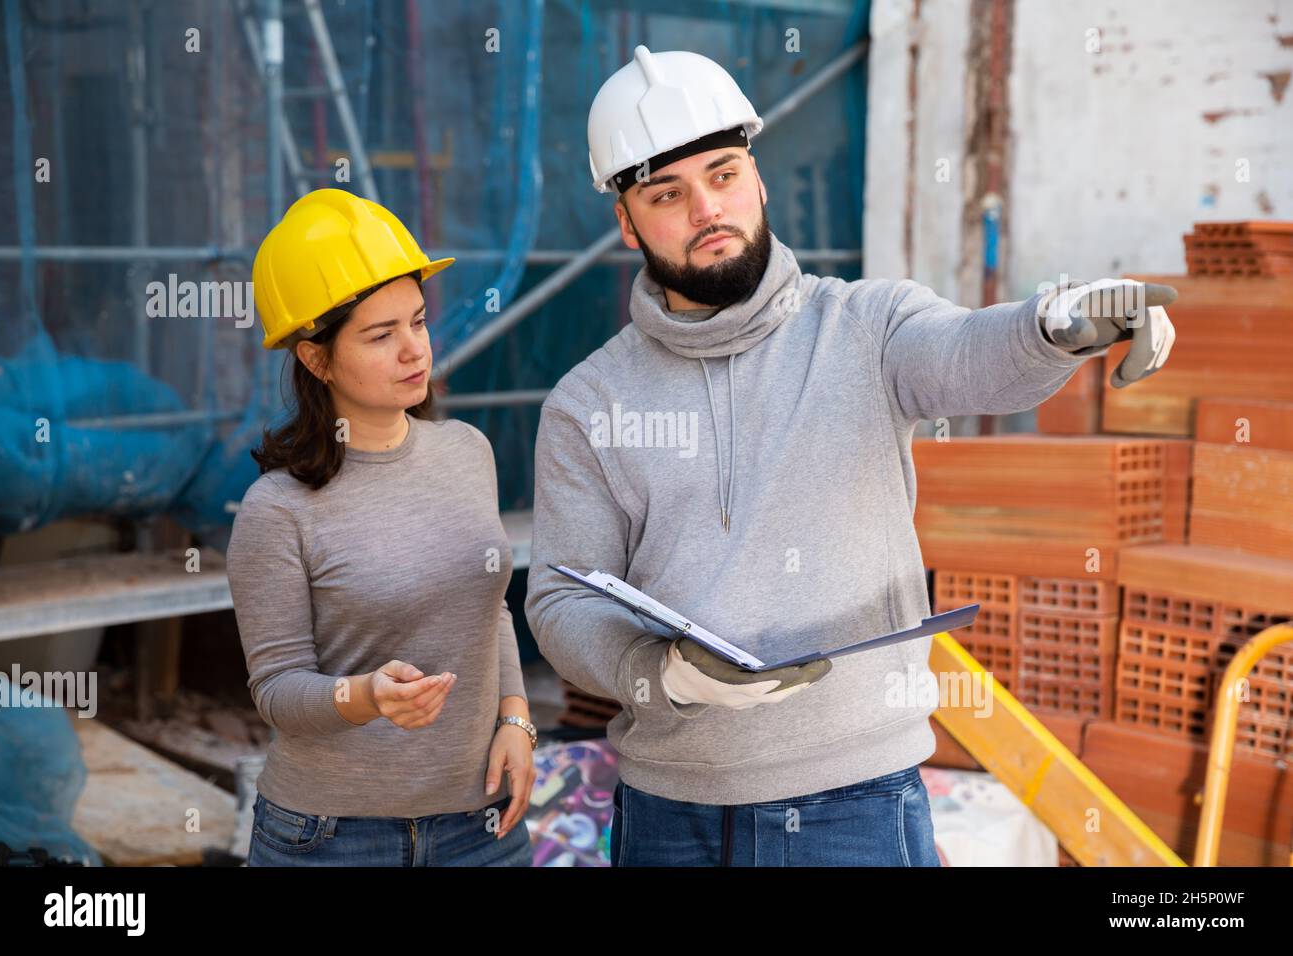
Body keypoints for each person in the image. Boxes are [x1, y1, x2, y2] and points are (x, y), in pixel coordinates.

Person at [524, 46, 1176, 866]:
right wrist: (660, 677)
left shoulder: (867, 328)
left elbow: (972, 355)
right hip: (670, 815)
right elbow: (558, 599)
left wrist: (1055, 326)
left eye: (724, 175)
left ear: (757, 177)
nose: (706, 209)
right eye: (667, 194)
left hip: (854, 813)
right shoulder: (589, 403)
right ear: (626, 221)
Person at [227, 188, 536, 866]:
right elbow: (277, 691)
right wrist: (365, 697)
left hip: (481, 826)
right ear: (315, 358)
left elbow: (491, 610)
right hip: (331, 837)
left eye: (418, 322)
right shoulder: (278, 509)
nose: (413, 351)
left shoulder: (466, 451)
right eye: (380, 334)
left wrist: (516, 717)